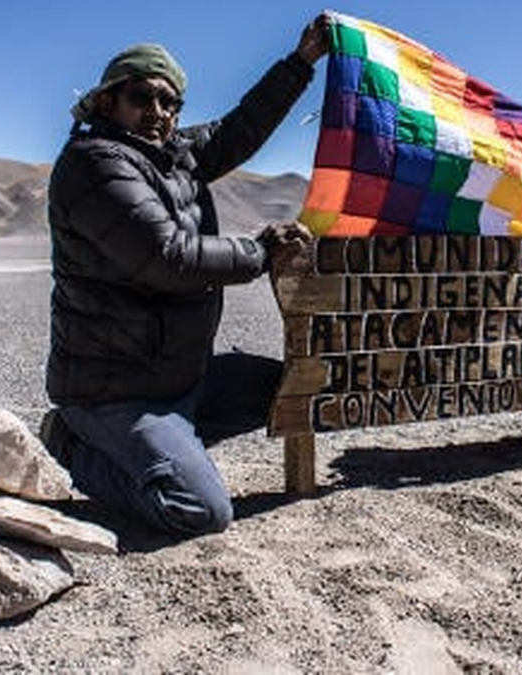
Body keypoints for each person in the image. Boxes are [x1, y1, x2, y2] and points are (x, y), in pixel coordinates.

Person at [41, 16, 329, 537]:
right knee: (200, 510)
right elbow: (167, 257)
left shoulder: (172, 159)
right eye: (143, 98)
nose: (158, 112)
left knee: (294, 392)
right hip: (115, 389)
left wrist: (301, 62)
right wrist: (260, 251)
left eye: (169, 102)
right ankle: (72, 444)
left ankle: (167, 446)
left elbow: (239, 130)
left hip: (179, 376)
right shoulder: (94, 164)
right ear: (108, 102)